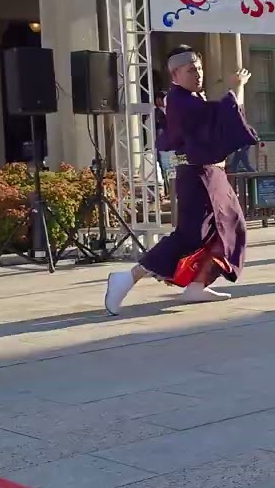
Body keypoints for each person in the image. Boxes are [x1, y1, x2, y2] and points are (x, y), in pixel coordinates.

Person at [104, 45, 258, 315]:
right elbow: (224, 114)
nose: (197, 73)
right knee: (190, 235)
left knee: (227, 228)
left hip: (211, 174)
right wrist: (237, 88)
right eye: (190, 70)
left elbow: (216, 120)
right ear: (175, 74)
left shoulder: (190, 98)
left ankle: (198, 285)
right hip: (197, 177)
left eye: (198, 68)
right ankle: (129, 277)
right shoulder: (180, 100)